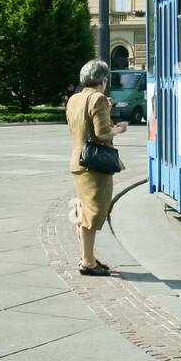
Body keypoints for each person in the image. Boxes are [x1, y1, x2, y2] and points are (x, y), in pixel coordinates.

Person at [67, 58, 126, 276]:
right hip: (94, 165)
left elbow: (82, 126)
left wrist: (105, 108)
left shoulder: (75, 98)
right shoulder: (99, 98)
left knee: (84, 211)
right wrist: (119, 129)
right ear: (103, 80)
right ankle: (88, 263)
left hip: (77, 160)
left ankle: (87, 257)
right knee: (93, 214)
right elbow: (102, 133)